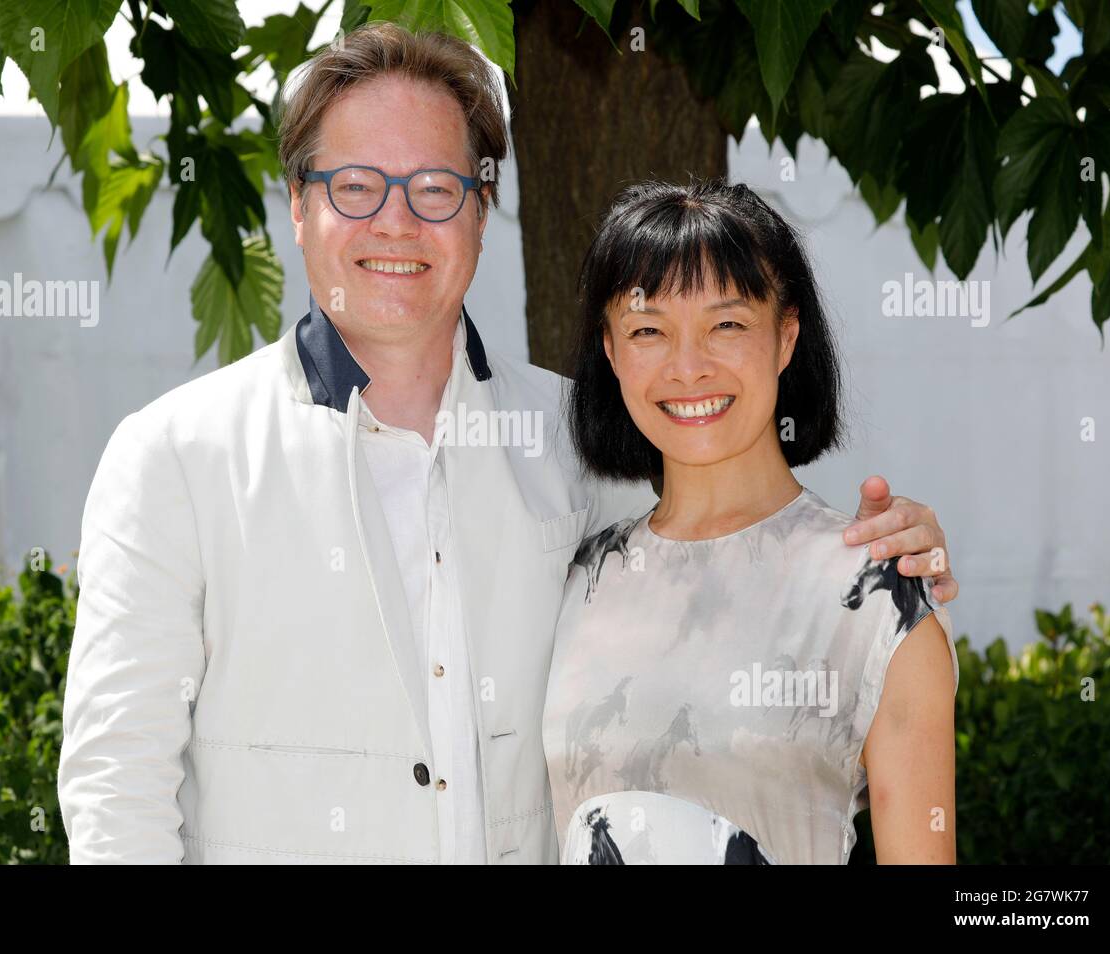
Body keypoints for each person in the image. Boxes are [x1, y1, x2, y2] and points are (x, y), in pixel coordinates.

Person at [57, 23, 959, 865]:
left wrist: (890, 559)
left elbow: (729, 553)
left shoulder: (580, 449)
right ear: (298, 204)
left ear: (483, 211)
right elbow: (115, 790)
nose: (397, 223)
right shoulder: (174, 459)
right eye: (356, 186)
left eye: (437, 188)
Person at [543, 179, 958, 865]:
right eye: (649, 330)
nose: (688, 367)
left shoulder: (877, 592)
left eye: (726, 324)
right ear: (611, 351)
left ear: (786, 336)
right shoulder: (575, 578)